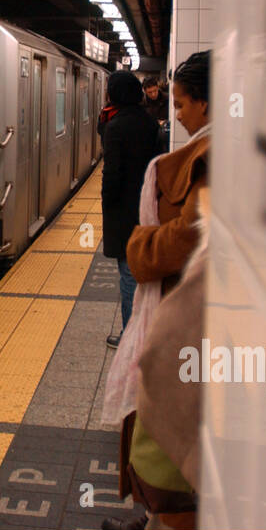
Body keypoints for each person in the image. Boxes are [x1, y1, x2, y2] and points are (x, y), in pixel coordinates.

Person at [103, 49, 211, 530]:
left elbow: (186, 237)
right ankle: (152, 519)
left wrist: (135, 242)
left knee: (167, 427)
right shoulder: (174, 140)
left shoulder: (212, 159)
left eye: (184, 103)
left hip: (190, 313)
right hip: (192, 309)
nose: (178, 113)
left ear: (207, 104)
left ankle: (163, 517)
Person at [100, 70, 160, 350]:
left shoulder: (115, 127)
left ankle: (129, 336)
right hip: (147, 205)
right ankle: (141, 330)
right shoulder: (148, 122)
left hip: (123, 211)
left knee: (127, 274)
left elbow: (111, 174)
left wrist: (107, 203)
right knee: (137, 273)